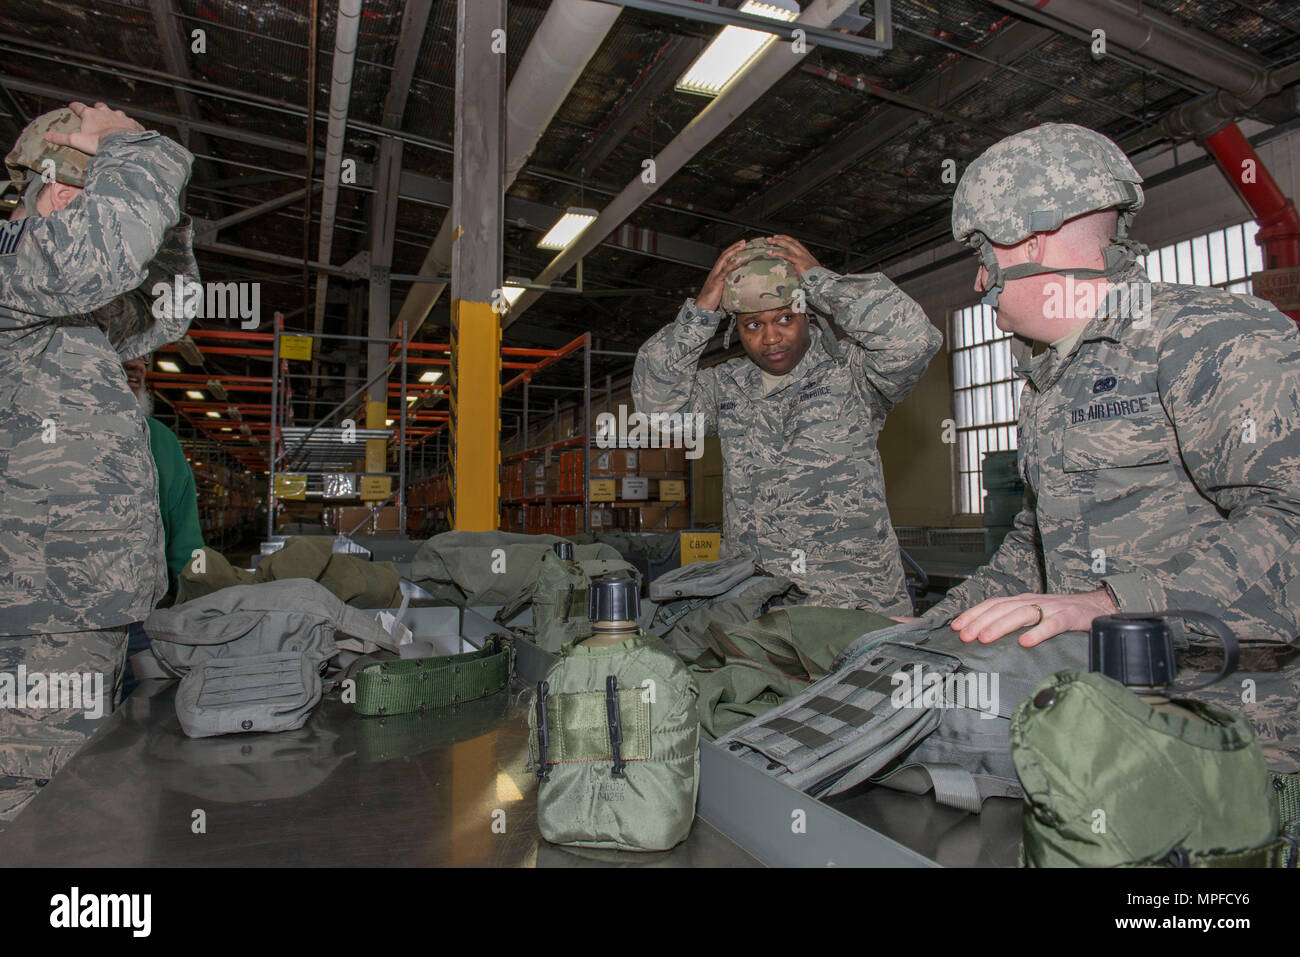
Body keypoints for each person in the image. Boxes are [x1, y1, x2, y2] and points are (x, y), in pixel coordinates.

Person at [925, 122, 1300, 769]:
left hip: (1239, 757)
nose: (980, 284)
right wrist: (939, 626)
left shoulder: (1210, 339)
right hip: (1110, 740)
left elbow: (1291, 523)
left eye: (982, 256)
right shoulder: (1045, 382)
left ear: (1030, 241)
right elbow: (1034, 544)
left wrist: (1112, 603)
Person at [0, 102, 195, 829]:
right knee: (42, 819)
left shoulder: (62, 307)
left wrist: (166, 211)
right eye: (102, 187)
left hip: (77, 610)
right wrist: (139, 148)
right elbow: (98, 255)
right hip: (30, 615)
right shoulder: (15, 262)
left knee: (83, 816)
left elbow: (167, 311)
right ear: (55, 192)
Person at [633, 235, 940, 612]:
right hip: (755, 605)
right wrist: (701, 311)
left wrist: (821, 281)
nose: (771, 337)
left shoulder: (851, 374)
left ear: (808, 315)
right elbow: (655, 408)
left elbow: (913, 340)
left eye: (785, 318)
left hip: (853, 604)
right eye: (753, 325)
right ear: (736, 331)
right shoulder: (724, 387)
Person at [122, 356, 204, 589]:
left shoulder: (161, 441)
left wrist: (201, 591)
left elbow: (188, 542)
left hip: (138, 610)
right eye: (123, 350)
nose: (137, 365)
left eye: (144, 356)